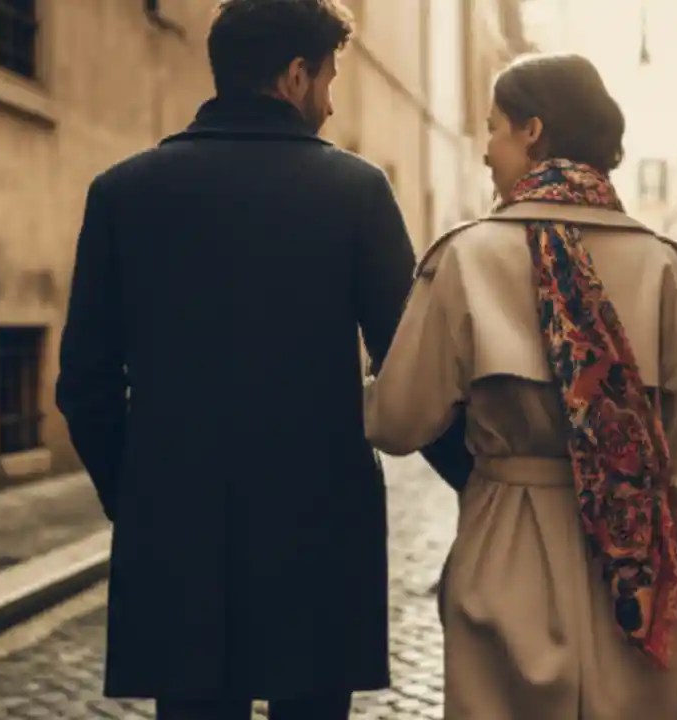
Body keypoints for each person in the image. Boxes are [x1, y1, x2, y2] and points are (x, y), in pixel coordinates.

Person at [56, 2, 468, 718]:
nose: (332, 102)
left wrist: (141, 501)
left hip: (176, 535)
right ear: (296, 75)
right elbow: (412, 372)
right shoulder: (356, 192)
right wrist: (483, 480)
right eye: (330, 79)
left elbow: (84, 385)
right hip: (320, 537)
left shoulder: (122, 193)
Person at [365, 53, 677, 719]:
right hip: (637, 578)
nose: (486, 152)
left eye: (493, 129)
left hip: (506, 547)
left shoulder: (466, 258)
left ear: (531, 131)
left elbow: (397, 423)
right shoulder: (661, 267)